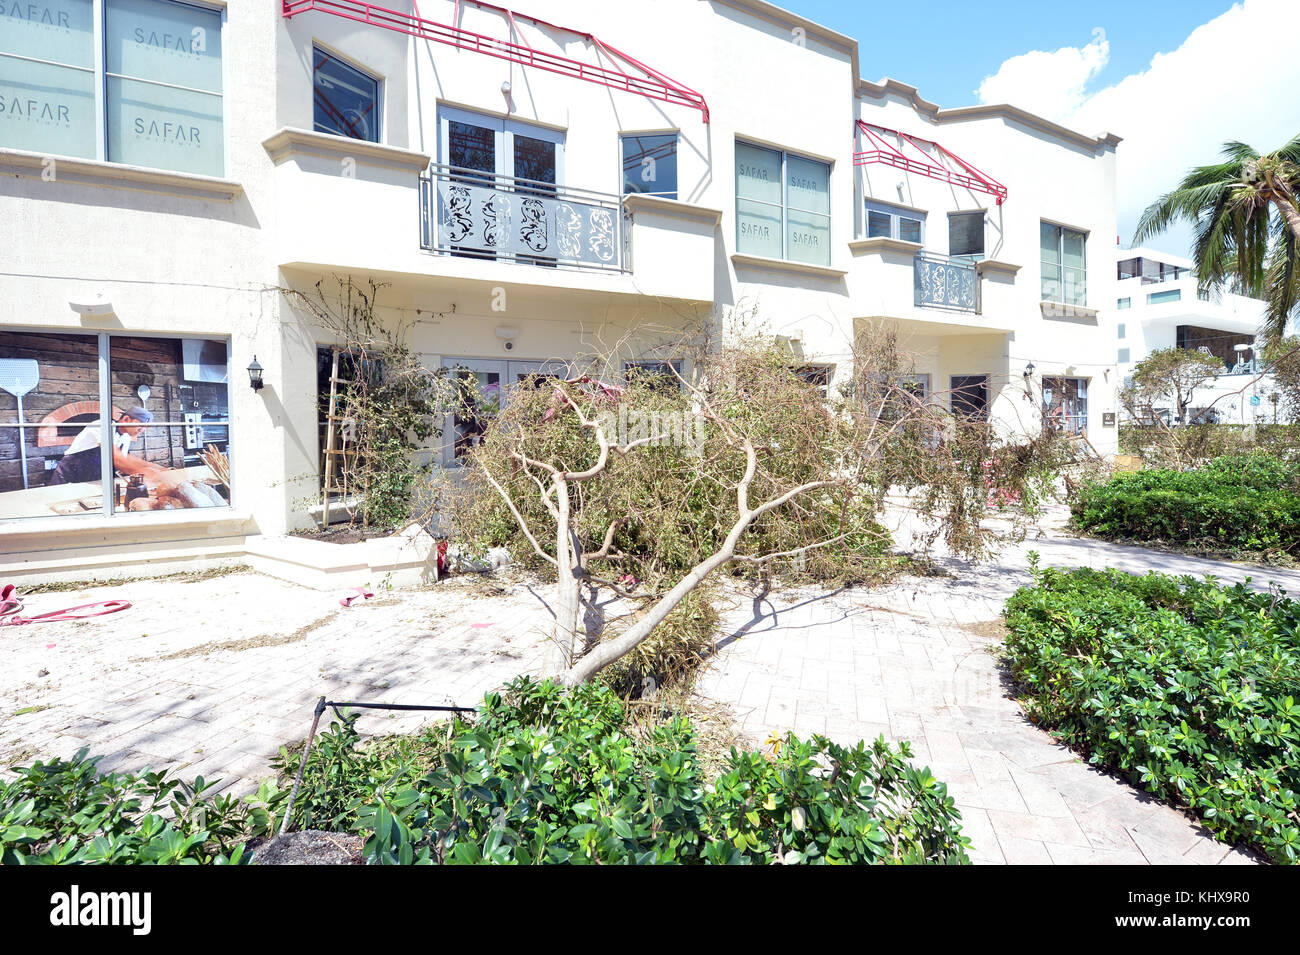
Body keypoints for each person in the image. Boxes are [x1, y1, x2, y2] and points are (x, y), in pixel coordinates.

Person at [48, 407, 167, 486]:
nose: (142, 430)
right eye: (140, 425)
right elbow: (116, 458)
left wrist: (161, 470)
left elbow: (126, 460)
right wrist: (146, 473)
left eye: (145, 428)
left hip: (91, 480)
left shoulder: (125, 437)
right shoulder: (101, 425)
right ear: (126, 419)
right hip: (68, 477)